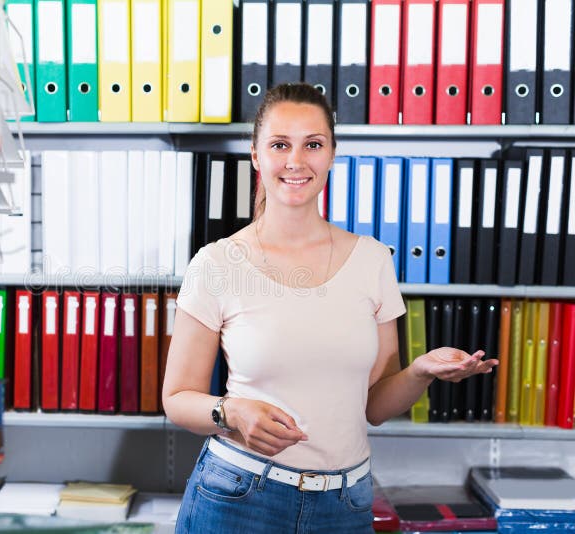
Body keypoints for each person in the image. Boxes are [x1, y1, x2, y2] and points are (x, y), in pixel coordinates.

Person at [161, 83, 498, 534]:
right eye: (280, 144)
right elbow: (177, 398)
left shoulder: (373, 259)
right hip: (240, 496)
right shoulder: (218, 262)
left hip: (346, 504)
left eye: (313, 144)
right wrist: (231, 411)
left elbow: (374, 408)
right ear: (257, 157)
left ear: (332, 154)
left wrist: (420, 371)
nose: (296, 161)